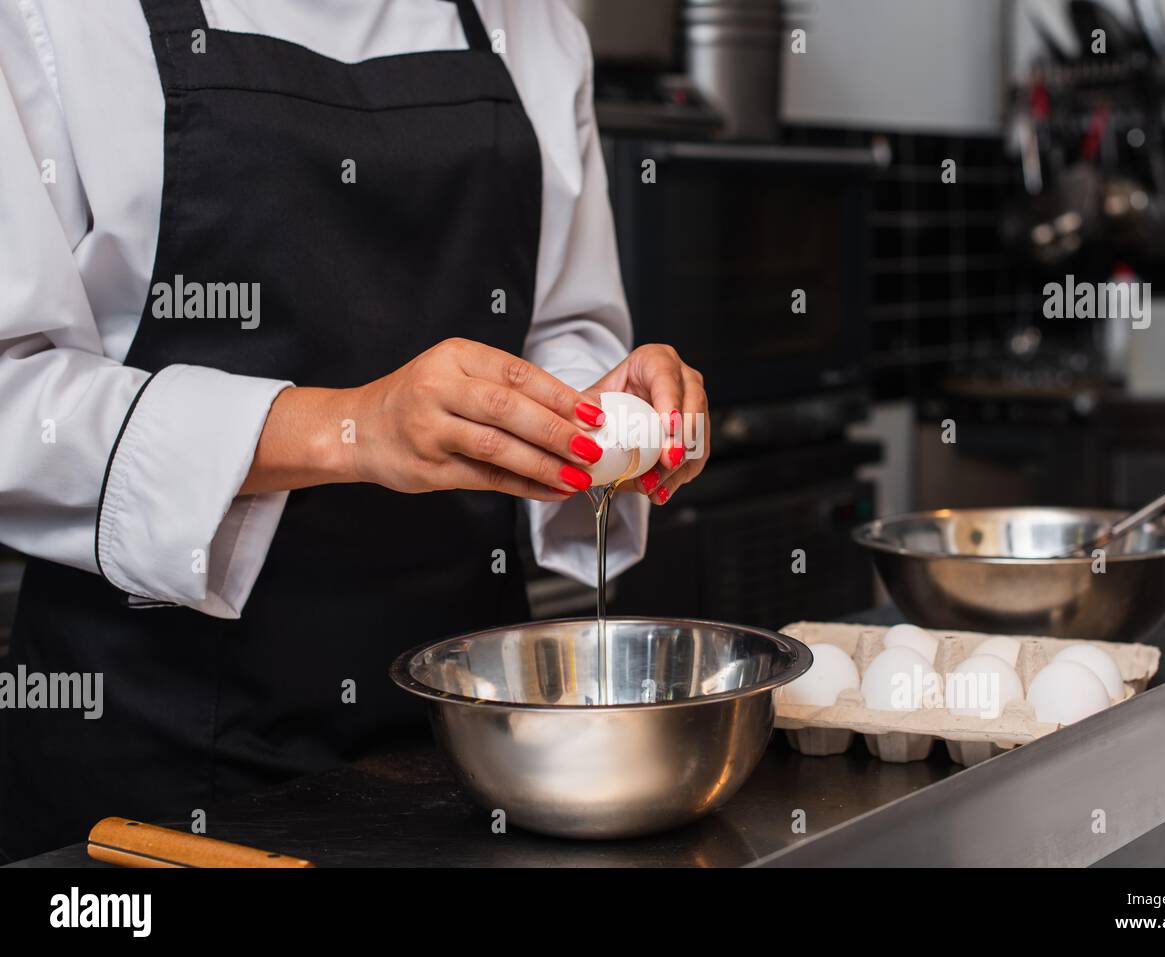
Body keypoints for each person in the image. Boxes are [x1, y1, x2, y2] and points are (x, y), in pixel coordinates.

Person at [0, 0, 709, 861]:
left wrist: (592, 415)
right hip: (155, 751)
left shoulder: (530, 22)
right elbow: (14, 390)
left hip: (471, 738)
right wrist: (351, 427)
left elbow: (559, 324)